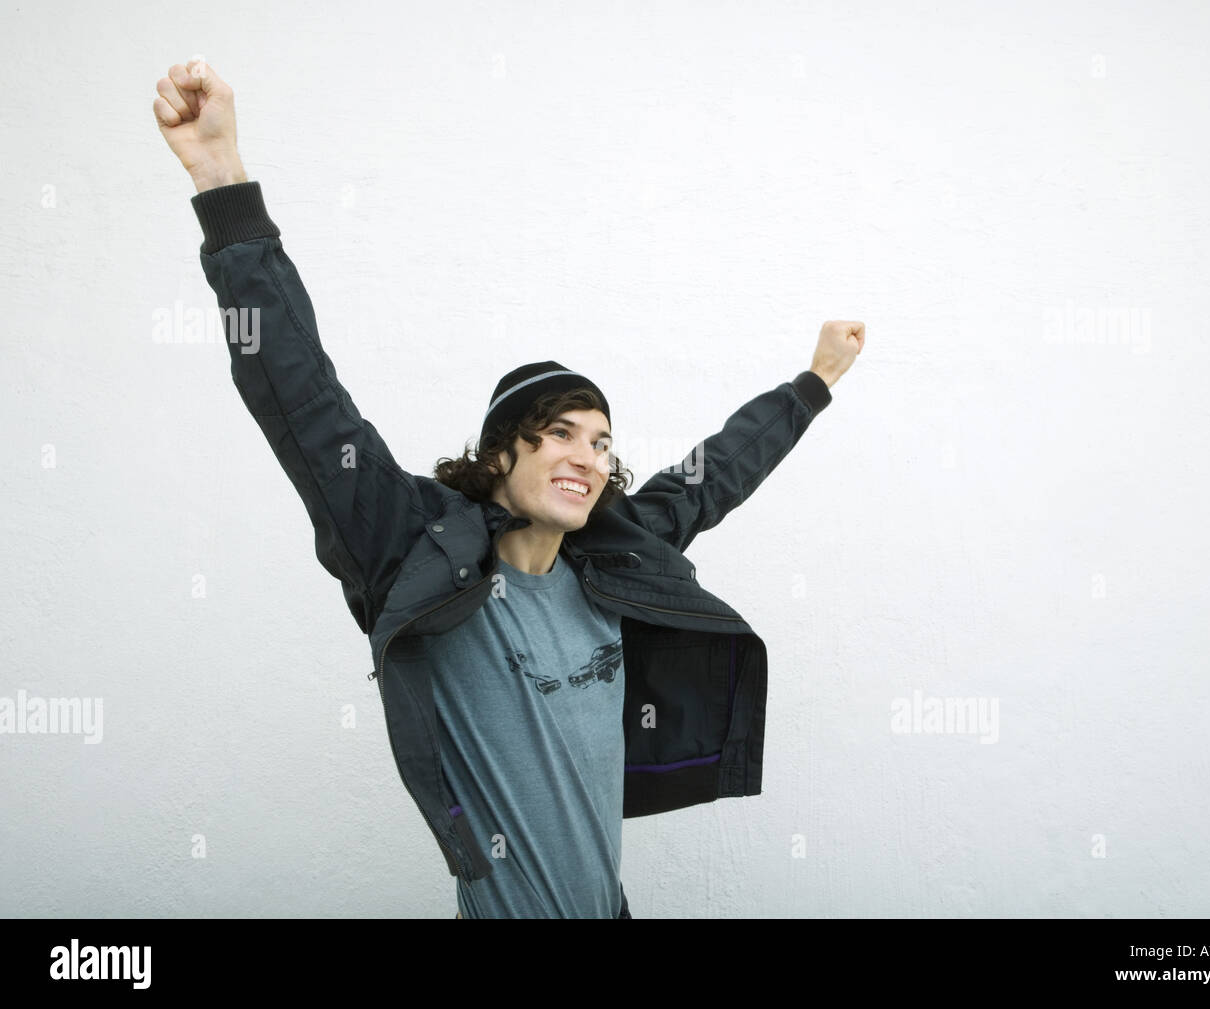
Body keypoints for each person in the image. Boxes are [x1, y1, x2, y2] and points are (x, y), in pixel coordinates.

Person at [155, 58, 864, 918]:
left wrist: (814, 382)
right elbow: (305, 401)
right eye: (560, 431)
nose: (587, 455)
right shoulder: (417, 554)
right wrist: (224, 187)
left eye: (602, 441)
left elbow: (713, 475)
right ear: (500, 455)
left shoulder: (613, 560)